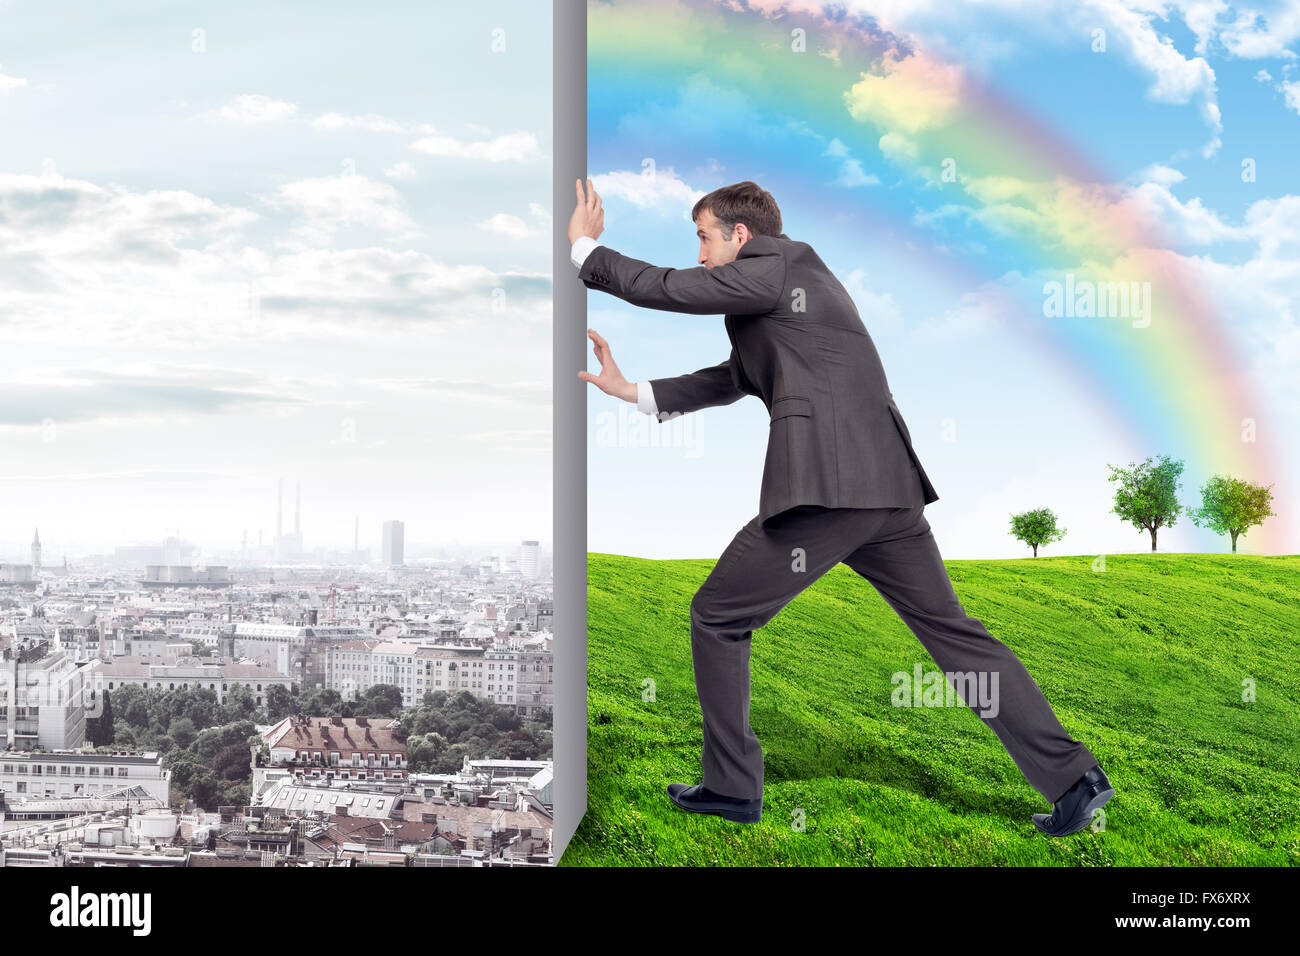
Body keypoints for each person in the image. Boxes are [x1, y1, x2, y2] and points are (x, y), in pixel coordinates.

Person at [568, 178, 1113, 836]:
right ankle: (1075, 780)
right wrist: (637, 391)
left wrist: (585, 251)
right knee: (952, 633)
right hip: (887, 493)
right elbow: (737, 376)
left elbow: (674, 287)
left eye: (705, 239)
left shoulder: (777, 263)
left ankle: (732, 788)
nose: (702, 255)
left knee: (717, 615)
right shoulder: (786, 290)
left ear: (741, 236)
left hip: (833, 490)